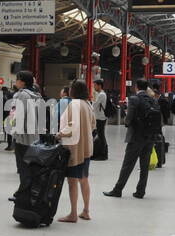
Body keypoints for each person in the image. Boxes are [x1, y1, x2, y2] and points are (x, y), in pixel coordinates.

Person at [104, 78, 161, 199]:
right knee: (144, 166)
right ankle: (140, 191)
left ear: (136, 87)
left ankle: (117, 190)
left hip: (136, 136)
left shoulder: (134, 99)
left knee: (128, 165)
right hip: (150, 137)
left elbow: (129, 118)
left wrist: (126, 122)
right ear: (146, 88)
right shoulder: (153, 100)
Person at [57, 79, 95, 223]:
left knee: (72, 181)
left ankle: (73, 214)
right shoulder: (87, 104)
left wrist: (60, 134)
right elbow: (93, 125)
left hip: (75, 149)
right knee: (84, 179)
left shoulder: (74, 104)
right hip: (86, 148)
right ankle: (86, 210)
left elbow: (71, 126)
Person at [7, 71, 45, 196]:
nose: (16, 81)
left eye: (17, 79)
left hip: (22, 136)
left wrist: (12, 127)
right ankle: (30, 190)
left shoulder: (21, 95)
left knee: (23, 166)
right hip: (34, 136)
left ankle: (23, 192)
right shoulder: (37, 95)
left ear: (22, 81)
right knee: (30, 165)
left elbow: (16, 115)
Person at [92, 78, 109, 161]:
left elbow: (94, 105)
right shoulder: (100, 94)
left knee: (101, 136)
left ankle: (103, 155)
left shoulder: (101, 94)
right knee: (101, 135)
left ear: (99, 85)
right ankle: (103, 153)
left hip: (100, 118)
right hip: (100, 117)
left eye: (95, 85)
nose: (94, 87)